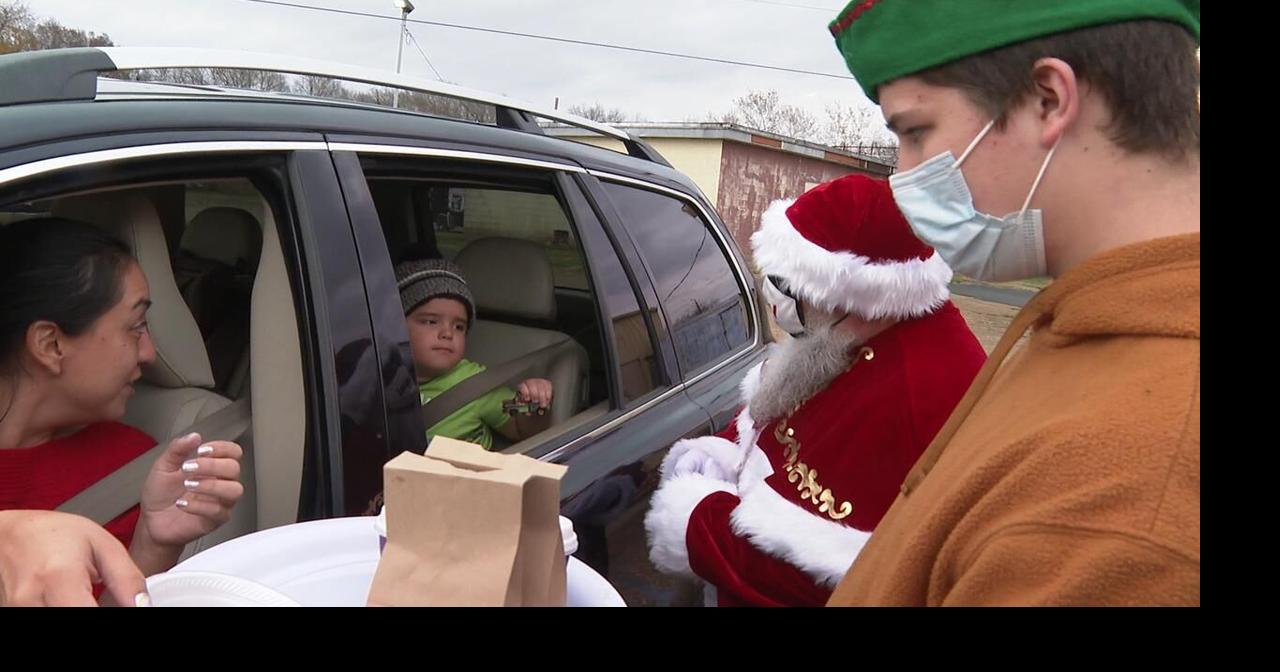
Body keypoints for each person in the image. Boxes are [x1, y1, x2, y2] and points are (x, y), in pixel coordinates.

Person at [824, 0, 1200, 605]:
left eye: (916, 131)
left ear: (1047, 100)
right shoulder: (1090, 323)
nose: (902, 177)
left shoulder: (1128, 515)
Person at [645, 175, 986, 606]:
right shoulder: (850, 335)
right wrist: (724, 451)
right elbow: (777, 415)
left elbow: (840, 580)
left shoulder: (923, 398)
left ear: (847, 293)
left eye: (790, 288)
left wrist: (696, 521)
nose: (776, 305)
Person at [1, 218, 245, 584]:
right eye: (136, 327)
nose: (149, 353)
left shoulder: (136, 472)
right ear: (50, 345)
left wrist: (152, 547)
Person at [395, 258, 553, 449]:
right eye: (430, 321)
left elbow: (521, 429)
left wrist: (532, 404)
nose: (447, 333)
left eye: (459, 326)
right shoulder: (376, 376)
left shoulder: (476, 385)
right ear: (396, 327)